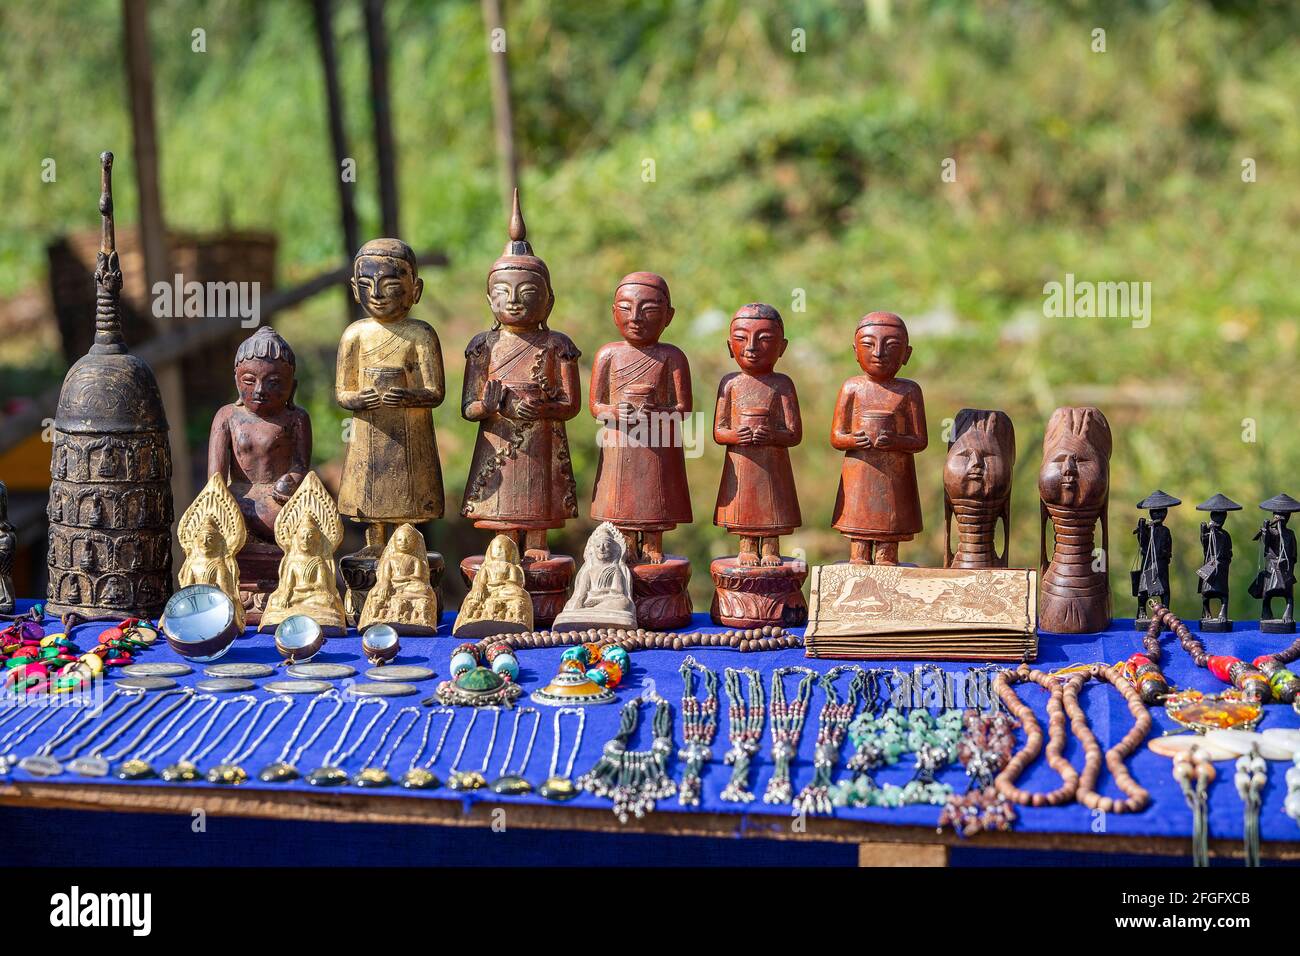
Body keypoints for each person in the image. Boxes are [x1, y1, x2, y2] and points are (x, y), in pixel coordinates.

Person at [830, 312, 928, 564]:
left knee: (889, 534)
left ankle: (887, 557)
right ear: (855, 351)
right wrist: (855, 440)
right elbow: (837, 436)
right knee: (858, 531)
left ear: (906, 354)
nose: (878, 352)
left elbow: (919, 439)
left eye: (891, 345)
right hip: (860, 471)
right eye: (868, 345)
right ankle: (859, 556)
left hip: (894, 477)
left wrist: (894, 441)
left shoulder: (909, 390)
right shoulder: (852, 387)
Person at [712, 303, 802, 567]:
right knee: (746, 507)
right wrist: (737, 435)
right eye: (741, 338)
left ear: (782, 347)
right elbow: (719, 431)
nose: (751, 346)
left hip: (773, 464)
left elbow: (794, 433)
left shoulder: (782, 384)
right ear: (730, 346)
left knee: (773, 505)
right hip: (742, 462)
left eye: (764, 339)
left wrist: (772, 435)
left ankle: (772, 546)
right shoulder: (730, 384)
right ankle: (747, 546)